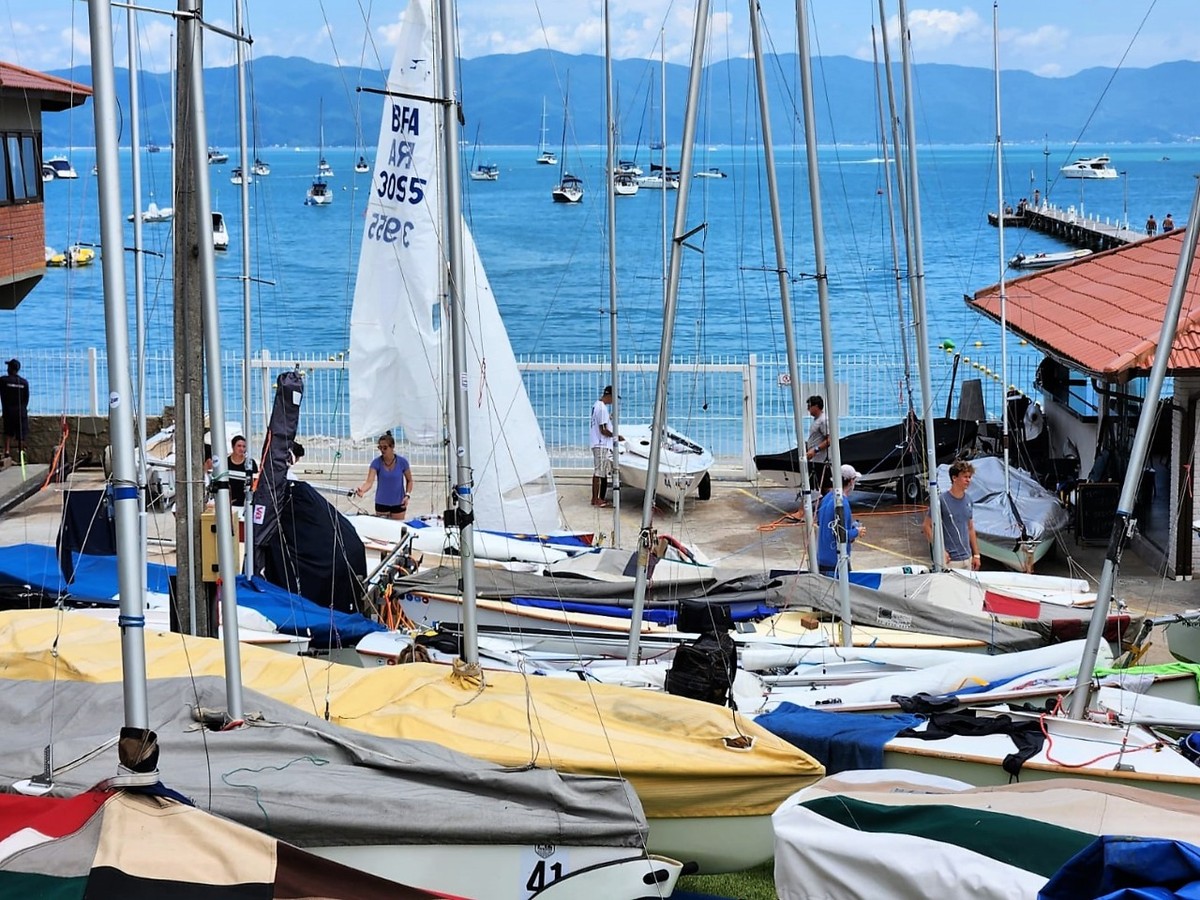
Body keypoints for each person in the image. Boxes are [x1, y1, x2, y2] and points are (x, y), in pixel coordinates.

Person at [923, 459, 980, 570]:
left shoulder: (968, 500)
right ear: (954, 478)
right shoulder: (941, 501)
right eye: (965, 477)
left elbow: (970, 528)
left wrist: (976, 555)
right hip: (950, 560)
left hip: (967, 558)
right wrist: (940, 551)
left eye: (969, 477)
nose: (968, 480)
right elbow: (926, 526)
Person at [816, 464, 865, 576]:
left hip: (822, 559)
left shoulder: (827, 498)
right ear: (851, 481)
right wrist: (856, 531)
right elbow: (840, 535)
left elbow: (824, 523)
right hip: (836, 563)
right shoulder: (842, 503)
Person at [355, 433, 412, 519]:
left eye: (385, 447)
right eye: (380, 447)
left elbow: (409, 480)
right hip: (381, 503)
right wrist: (362, 490)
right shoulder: (376, 463)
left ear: (392, 447)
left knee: (397, 529)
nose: (382, 450)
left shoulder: (402, 462)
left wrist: (407, 495)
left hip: (399, 503)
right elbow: (369, 482)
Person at [590, 384, 619, 507]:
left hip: (597, 442)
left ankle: (598, 498)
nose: (614, 401)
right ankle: (596, 499)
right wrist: (615, 436)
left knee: (600, 472)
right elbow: (603, 430)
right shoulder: (602, 409)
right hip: (600, 443)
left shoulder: (597, 405)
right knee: (599, 472)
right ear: (609, 395)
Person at [0, 359, 30, 462]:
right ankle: (21, 455)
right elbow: (26, 399)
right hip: (21, 411)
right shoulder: (24, 383)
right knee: (21, 435)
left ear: (10, 368)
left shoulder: (3, 380)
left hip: (8, 411)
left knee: (8, 433)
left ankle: (7, 452)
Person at [805, 395, 832, 494]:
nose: (808, 408)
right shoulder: (816, 420)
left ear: (816, 406)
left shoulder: (823, 420)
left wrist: (815, 450)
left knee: (826, 485)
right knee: (820, 485)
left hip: (821, 459)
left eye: (809, 406)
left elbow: (829, 439)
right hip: (814, 459)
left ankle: (830, 504)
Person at [225, 434, 258, 507]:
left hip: (246, 502)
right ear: (233, 447)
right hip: (229, 503)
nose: (241, 449)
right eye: (239, 446)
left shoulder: (250, 463)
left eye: (243, 446)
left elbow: (256, 481)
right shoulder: (225, 462)